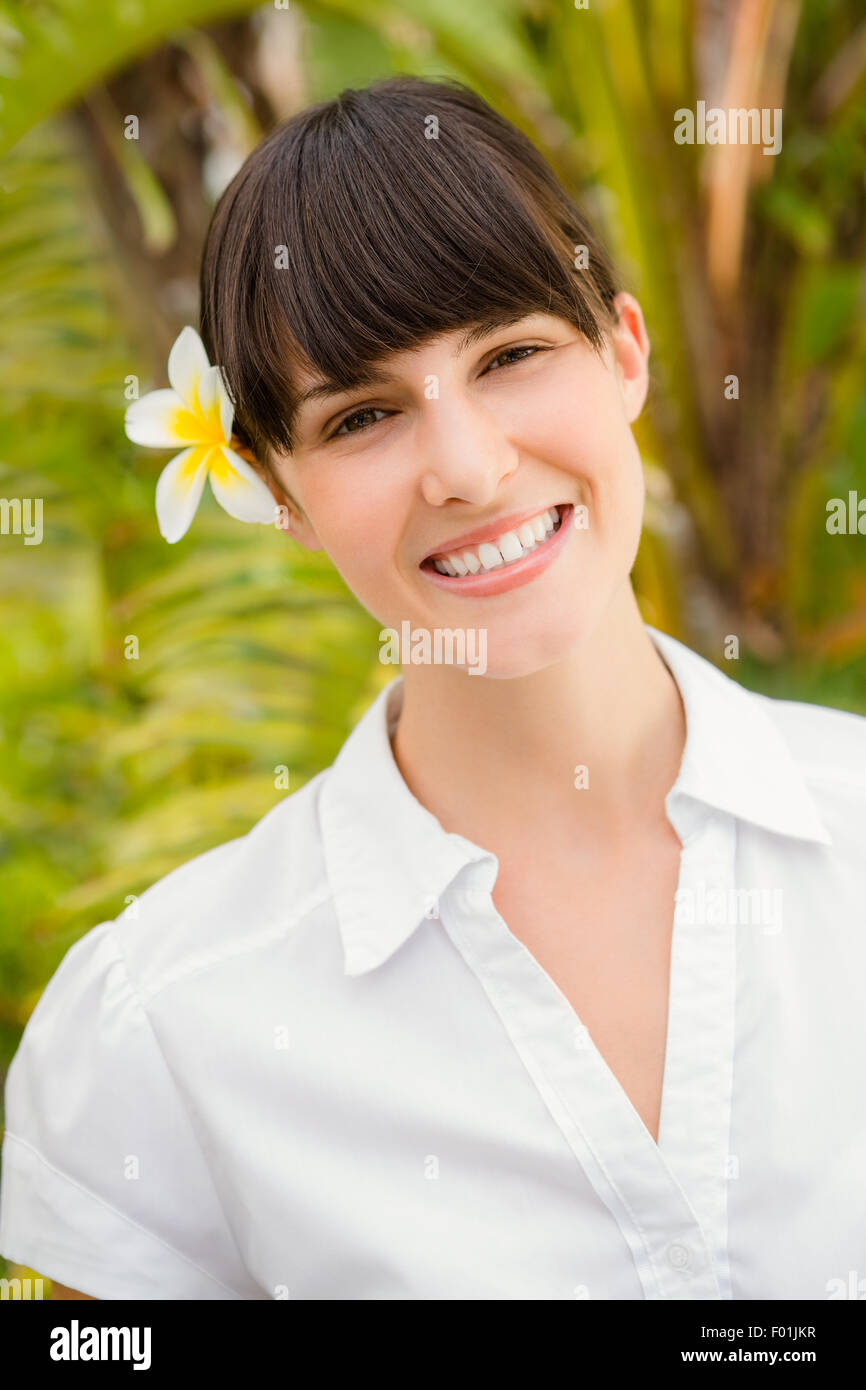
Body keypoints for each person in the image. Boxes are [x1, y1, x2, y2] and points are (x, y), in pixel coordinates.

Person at [1, 75, 865, 1302]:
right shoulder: (170, 1023)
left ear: (624, 351)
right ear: (278, 490)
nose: (467, 466)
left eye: (510, 354)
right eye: (362, 418)